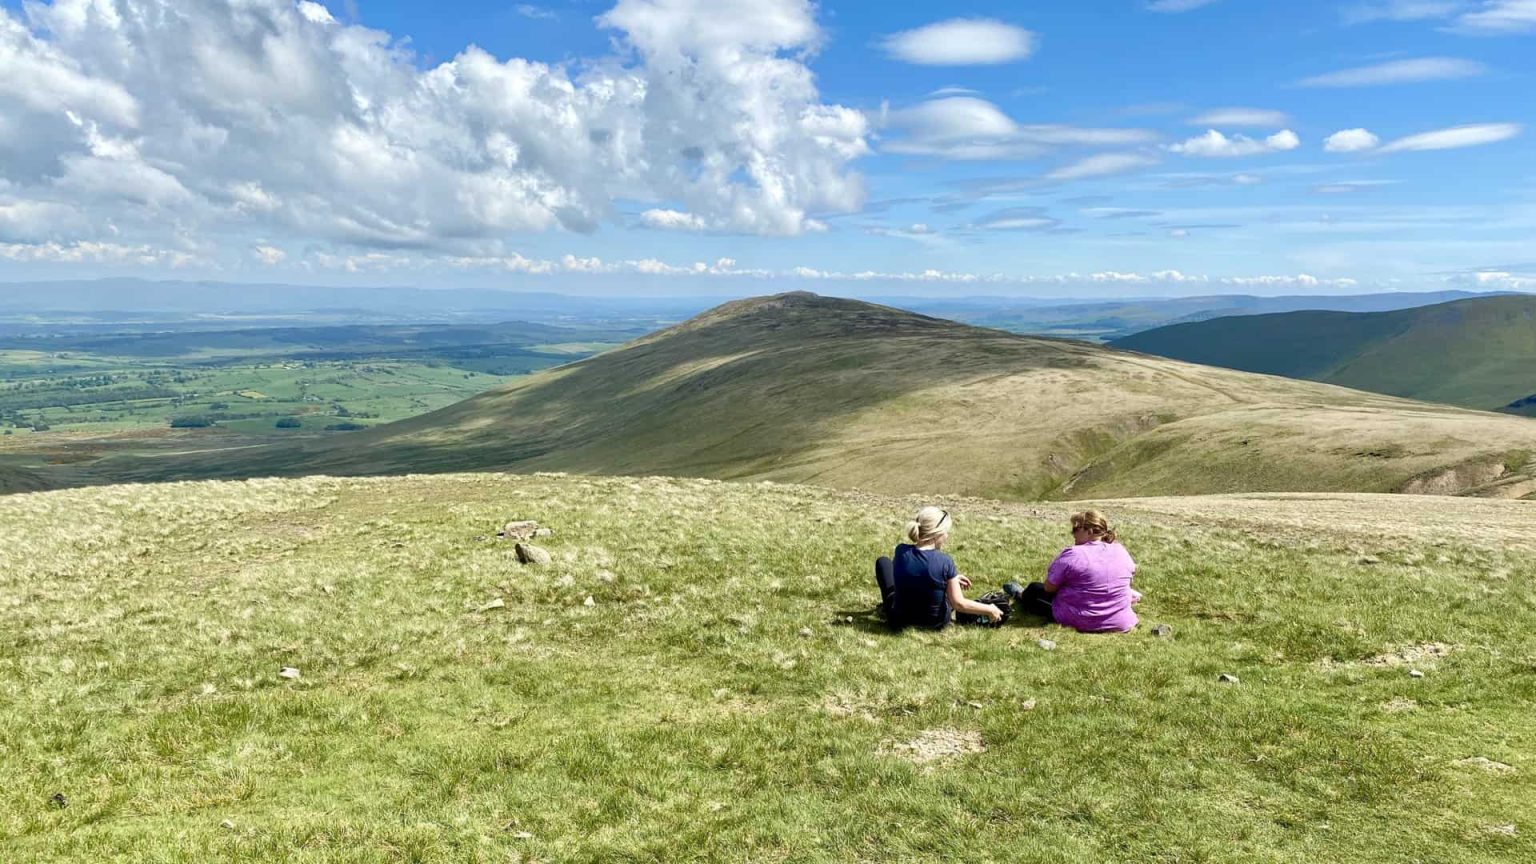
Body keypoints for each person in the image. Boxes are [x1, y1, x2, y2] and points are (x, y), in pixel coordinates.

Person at [1012, 510, 1141, 633]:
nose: (1072, 534)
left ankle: (1019, 594)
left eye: (1075, 529)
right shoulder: (1120, 550)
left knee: (1034, 589)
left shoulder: (1073, 554)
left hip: (1081, 619)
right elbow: (1128, 579)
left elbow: (1049, 588)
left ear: (1089, 531)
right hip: (1121, 621)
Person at [884, 506, 1003, 629]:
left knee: (883, 562)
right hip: (935, 623)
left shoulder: (901, 551)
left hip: (899, 620)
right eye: (946, 532)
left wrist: (951, 579)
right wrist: (990, 609)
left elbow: (917, 571)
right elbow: (958, 604)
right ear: (937, 534)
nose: (947, 536)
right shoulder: (945, 561)